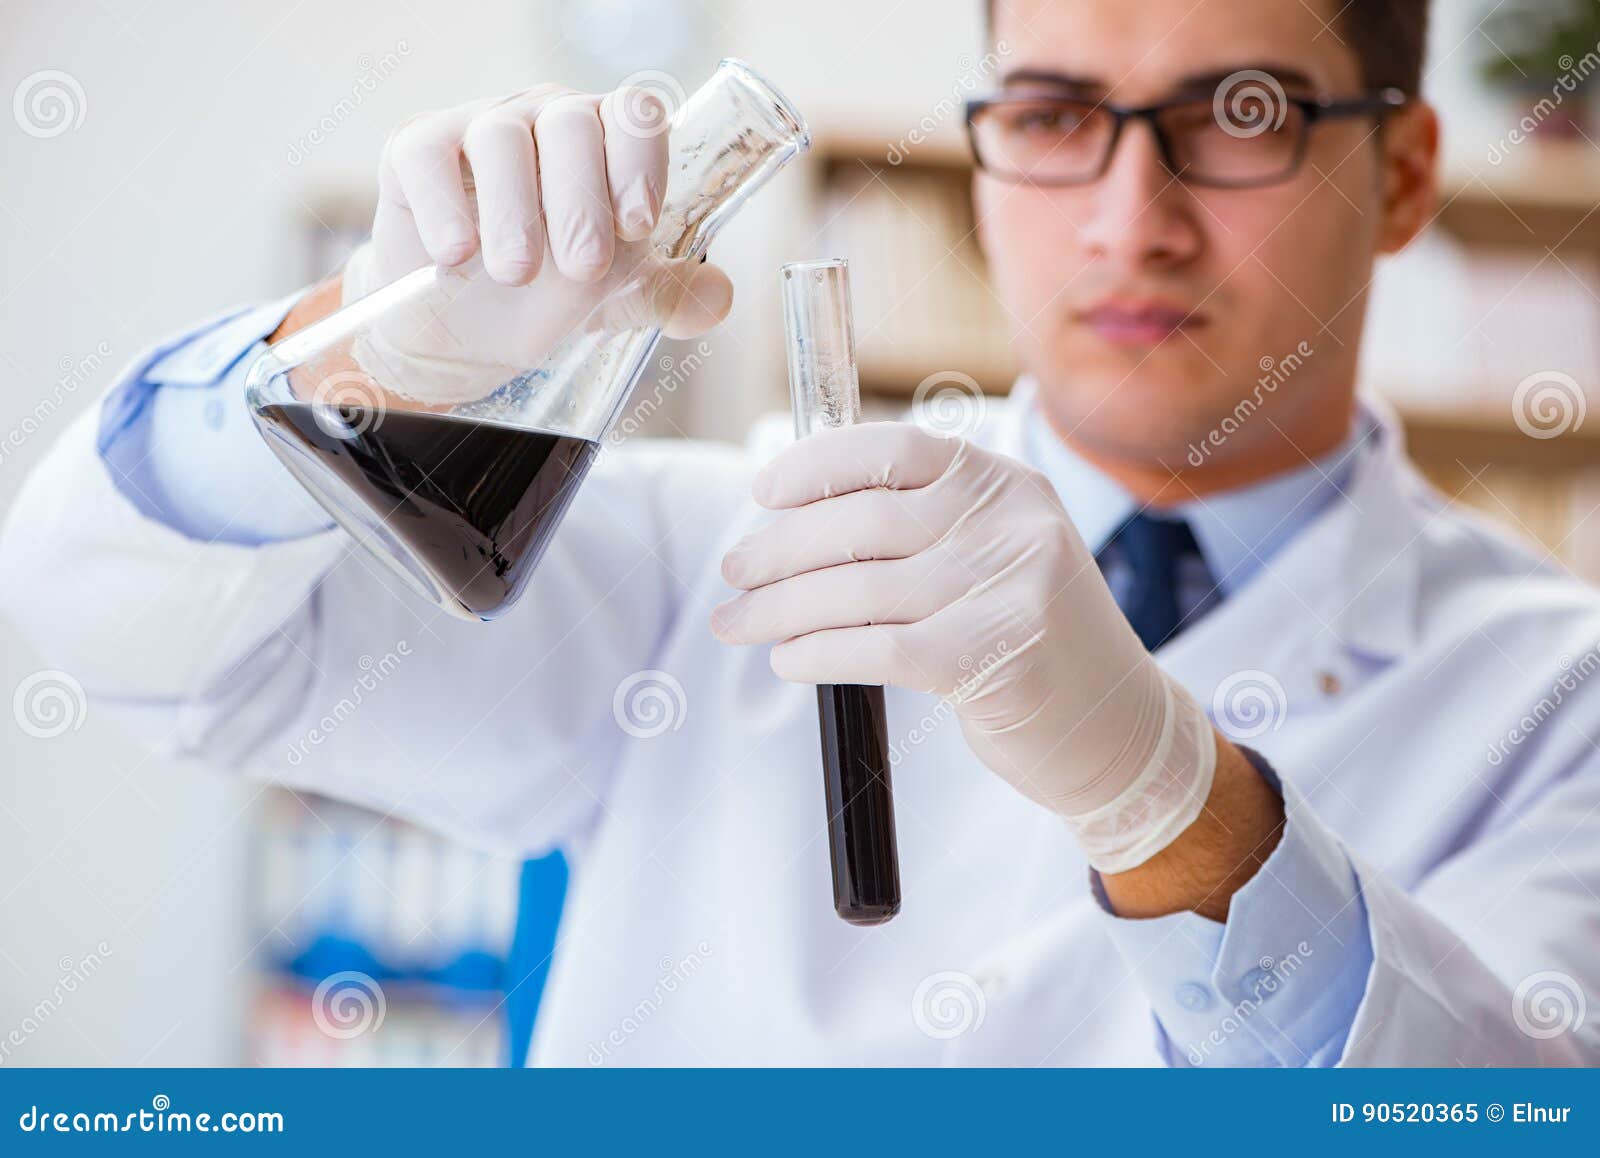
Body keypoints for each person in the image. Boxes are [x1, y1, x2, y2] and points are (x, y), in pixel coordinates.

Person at [4, 0, 1598, 1067]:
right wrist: (368, 345)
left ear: (1403, 173)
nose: (1129, 216)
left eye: (1241, 115)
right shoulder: (693, 551)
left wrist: (1170, 798)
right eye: (1051, 116)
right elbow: (120, 630)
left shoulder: (1560, 696)